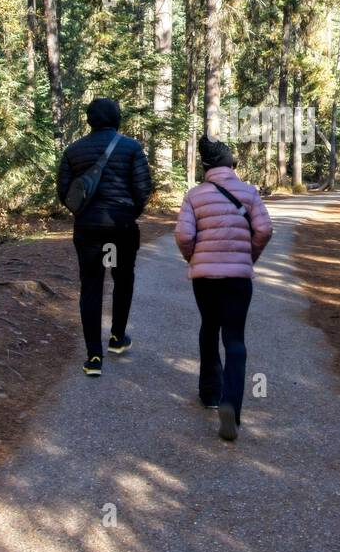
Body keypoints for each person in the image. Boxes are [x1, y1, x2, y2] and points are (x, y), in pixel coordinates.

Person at [174, 135, 272, 441]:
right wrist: (249, 256)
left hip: (204, 278)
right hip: (238, 278)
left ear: (206, 167)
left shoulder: (194, 196)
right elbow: (264, 229)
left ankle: (209, 393)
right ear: (231, 164)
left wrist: (194, 258)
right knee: (235, 338)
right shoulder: (249, 192)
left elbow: (183, 235)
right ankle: (231, 403)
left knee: (209, 326)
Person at [57, 98, 152, 376]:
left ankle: (93, 358)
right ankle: (117, 338)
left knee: (91, 286)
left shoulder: (73, 150)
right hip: (121, 227)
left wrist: (83, 214)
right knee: (123, 279)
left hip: (88, 228)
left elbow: (65, 191)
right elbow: (143, 187)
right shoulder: (132, 147)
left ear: (89, 120)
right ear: (117, 118)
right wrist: (129, 212)